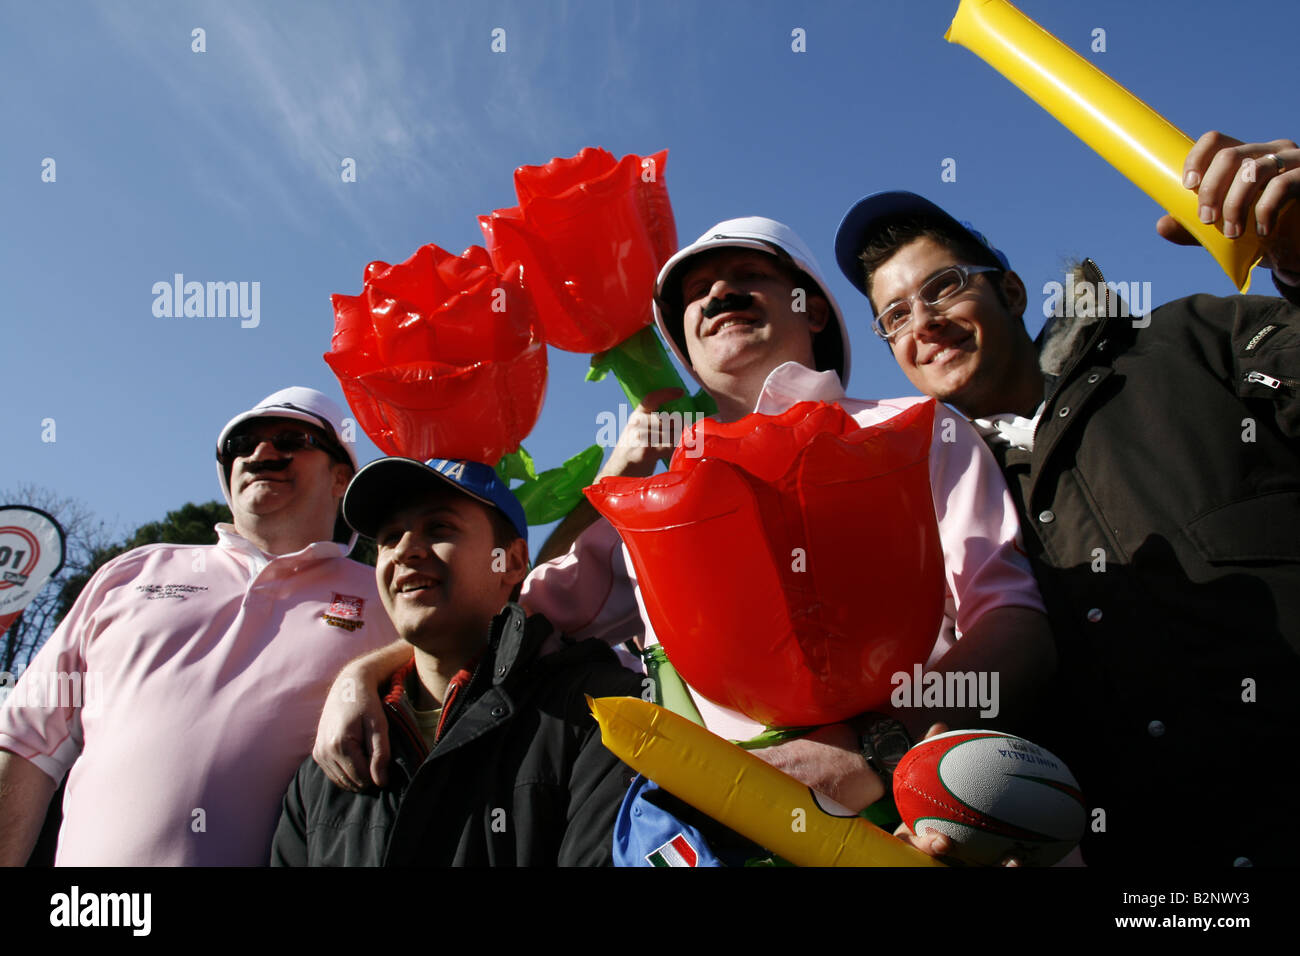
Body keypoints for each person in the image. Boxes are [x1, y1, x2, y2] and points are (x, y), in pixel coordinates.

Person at [315, 219, 1054, 823]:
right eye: (695, 294)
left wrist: (878, 751)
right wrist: (360, 673)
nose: (719, 294)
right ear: (687, 349)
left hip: (931, 821)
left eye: (749, 277)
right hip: (726, 835)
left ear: (816, 309)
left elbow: (1013, 623)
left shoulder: (921, 429)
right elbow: (512, 627)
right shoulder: (649, 496)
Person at [831, 132, 1300, 867]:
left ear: (1011, 291)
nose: (922, 323)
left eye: (943, 286)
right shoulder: (935, 516)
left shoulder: (1196, 340)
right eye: (894, 317)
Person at [0, 387, 398, 865]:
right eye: (241, 445)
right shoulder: (131, 573)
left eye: (291, 438)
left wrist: (365, 670)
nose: (261, 452)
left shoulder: (390, 594)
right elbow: (25, 746)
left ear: (341, 477)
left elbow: (482, 649)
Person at [270, 455, 641, 865]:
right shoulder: (328, 765)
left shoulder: (606, 715)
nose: (405, 551)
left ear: (513, 562)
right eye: (390, 537)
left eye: (440, 528)